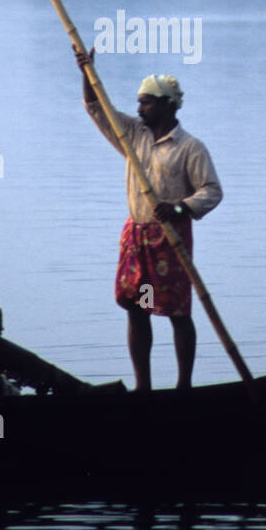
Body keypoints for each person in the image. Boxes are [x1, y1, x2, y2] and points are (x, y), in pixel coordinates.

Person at [74, 46, 222, 391]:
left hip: (170, 239)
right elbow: (98, 109)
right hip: (138, 238)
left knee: (177, 312)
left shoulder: (189, 147)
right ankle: (144, 388)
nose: (140, 108)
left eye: (147, 102)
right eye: (139, 102)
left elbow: (211, 191)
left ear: (168, 105)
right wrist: (87, 74)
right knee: (138, 308)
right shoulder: (133, 135)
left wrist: (180, 208)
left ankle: (183, 386)